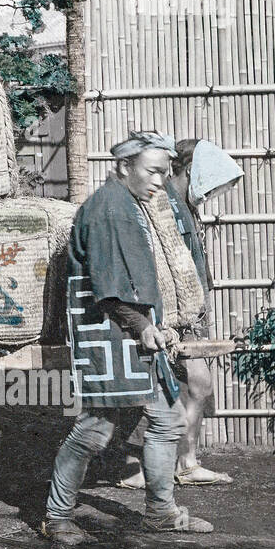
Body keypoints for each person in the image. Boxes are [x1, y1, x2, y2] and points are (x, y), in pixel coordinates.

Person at [41, 130, 214, 545]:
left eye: (165, 172)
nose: (160, 180)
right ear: (123, 167)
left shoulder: (132, 207)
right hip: (109, 334)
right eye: (153, 171)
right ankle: (57, 516)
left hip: (133, 333)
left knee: (168, 418)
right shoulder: (108, 211)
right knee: (95, 429)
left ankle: (160, 513)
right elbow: (110, 288)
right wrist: (145, 327)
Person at [114, 139, 244, 489]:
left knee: (197, 385)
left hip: (187, 315)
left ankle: (185, 461)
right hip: (160, 315)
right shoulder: (158, 203)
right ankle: (139, 467)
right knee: (152, 391)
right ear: (191, 172)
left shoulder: (184, 206)